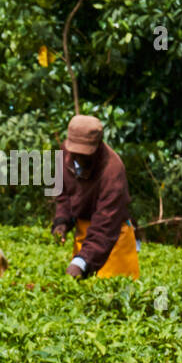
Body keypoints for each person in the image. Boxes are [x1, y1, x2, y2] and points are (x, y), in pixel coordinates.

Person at [50, 114, 140, 279]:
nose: (80, 158)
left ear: (98, 146)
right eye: (76, 152)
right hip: (84, 235)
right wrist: (62, 222)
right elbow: (63, 193)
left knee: (116, 293)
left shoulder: (112, 170)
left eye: (86, 153)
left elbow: (106, 224)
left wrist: (81, 262)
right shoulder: (63, 153)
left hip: (113, 237)